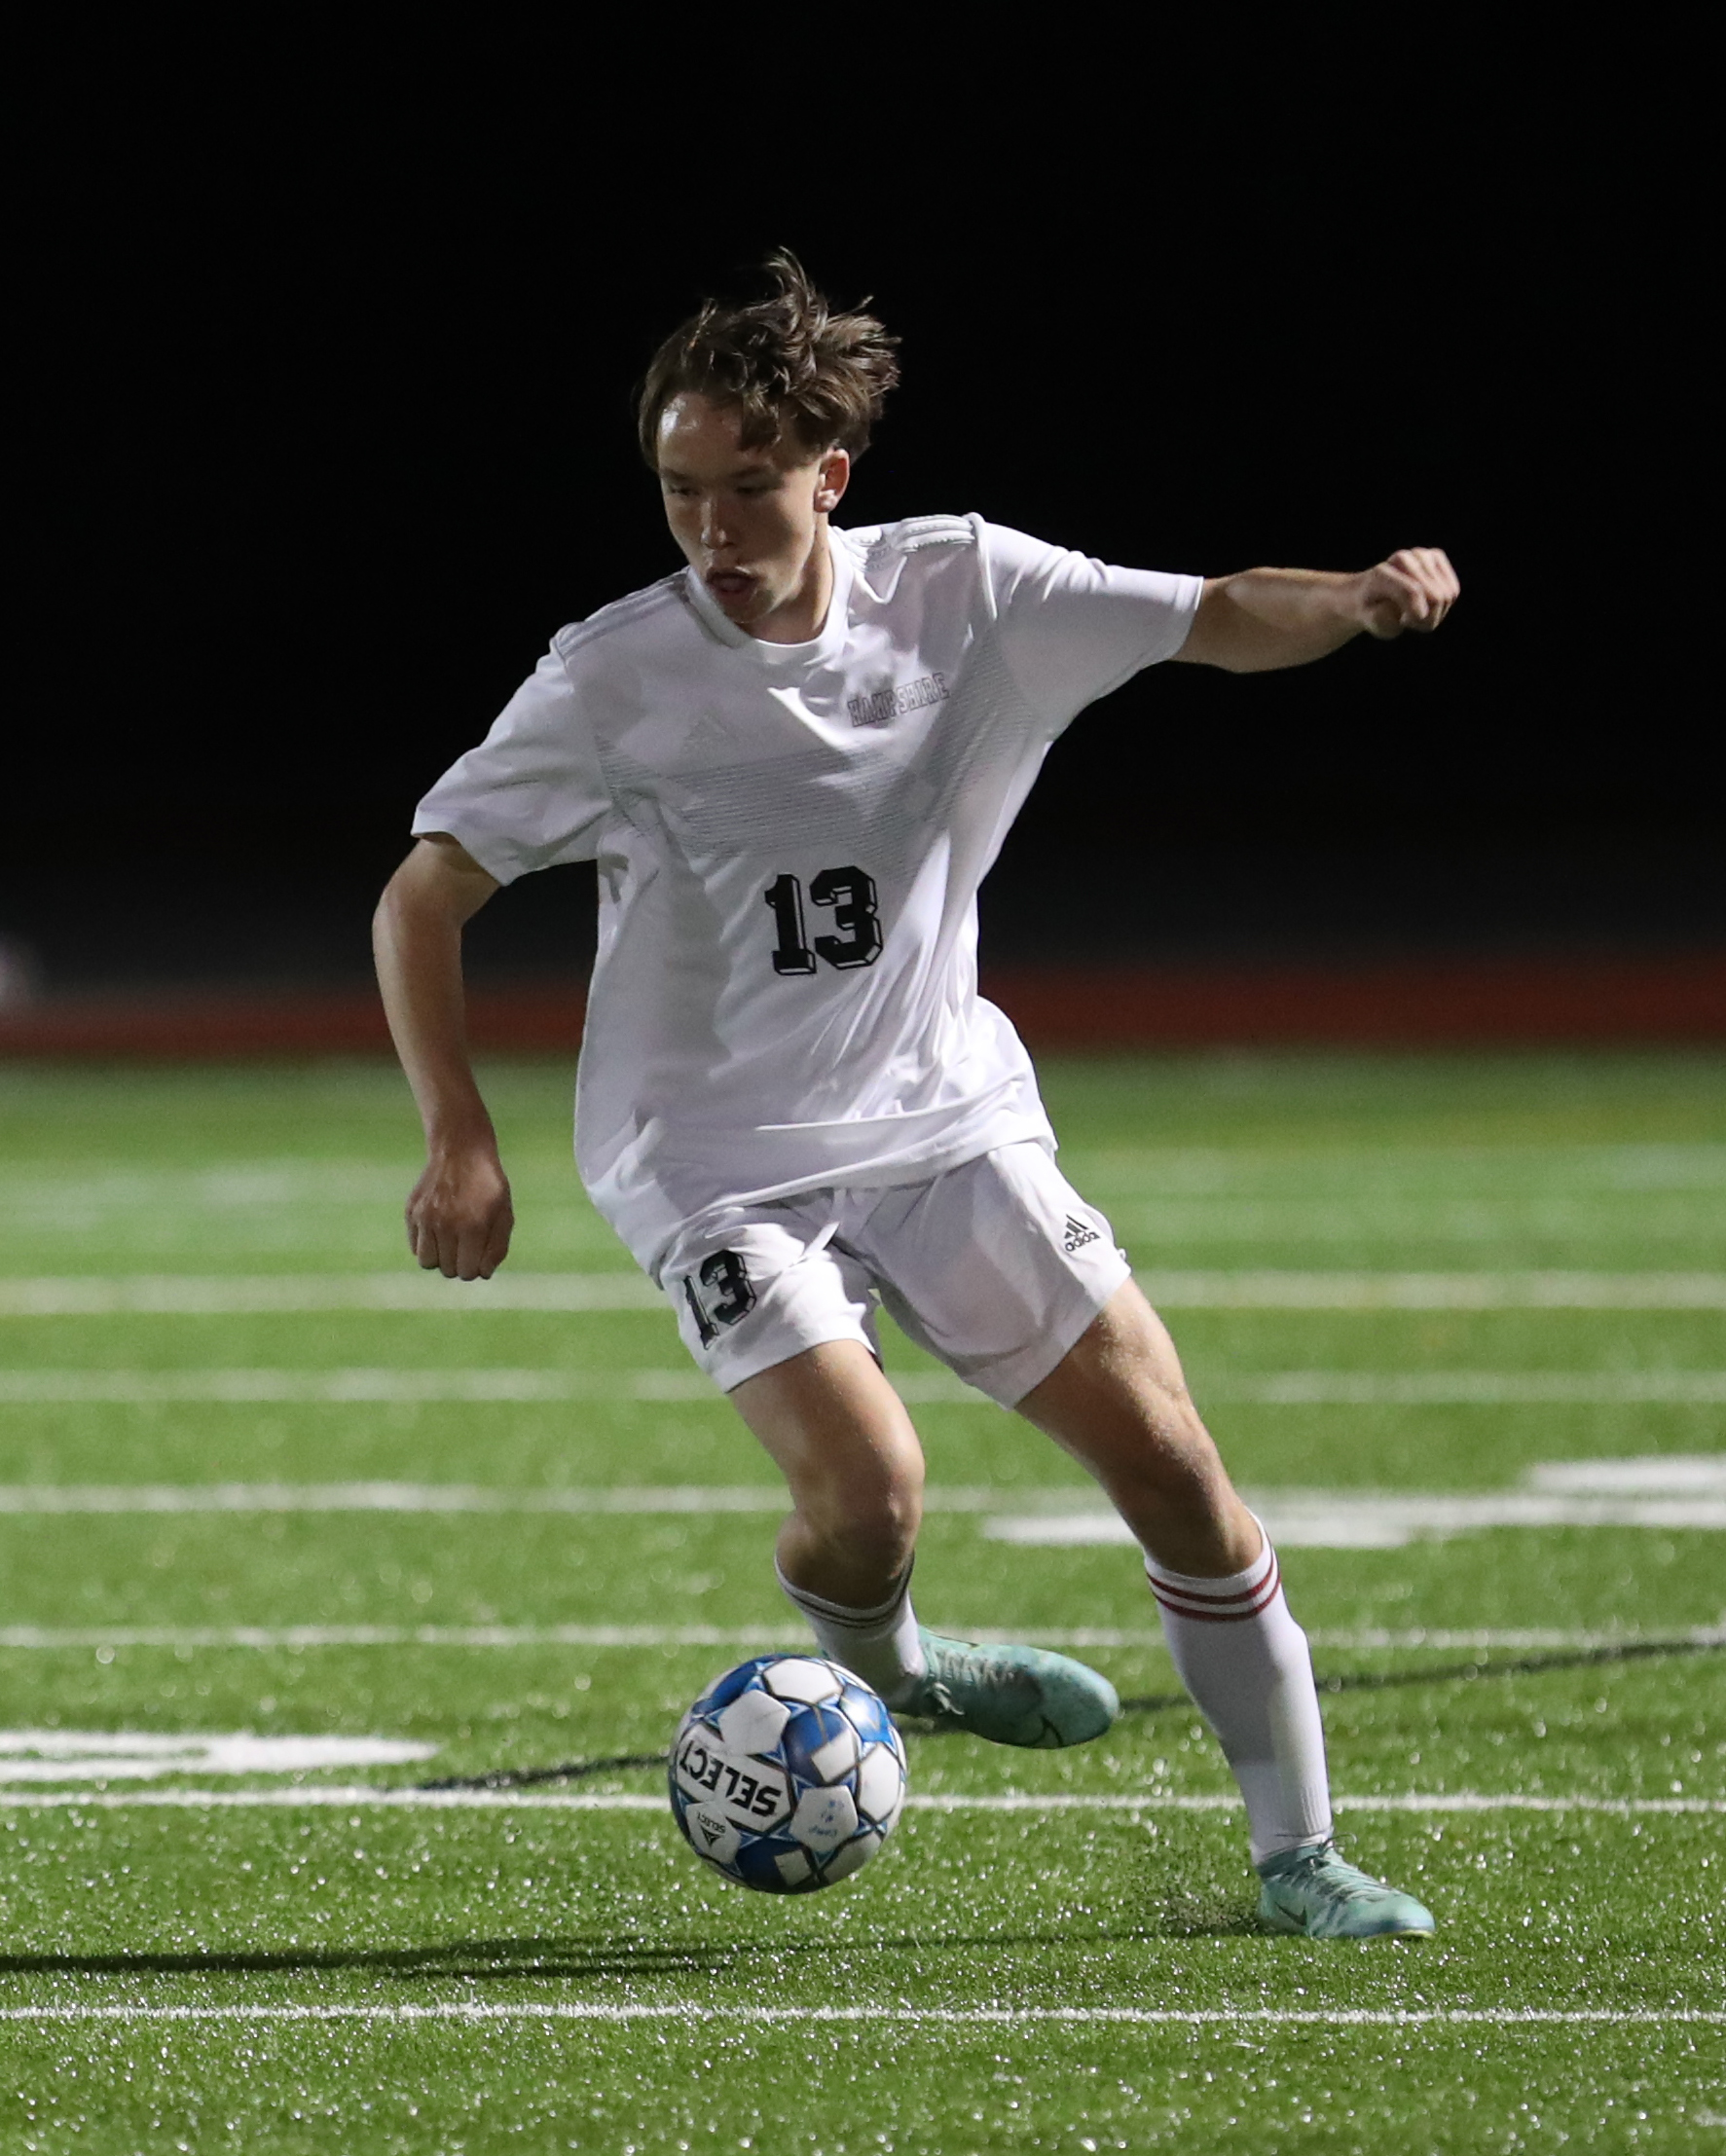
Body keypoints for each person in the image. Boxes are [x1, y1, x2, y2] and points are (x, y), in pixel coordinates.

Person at [374, 253, 1459, 1940]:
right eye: (678, 493)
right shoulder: (610, 679)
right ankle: (896, 1664)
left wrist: (1359, 596)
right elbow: (422, 896)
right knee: (869, 1495)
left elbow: (1211, 613)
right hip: (711, 1160)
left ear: (830, 476)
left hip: (941, 1114)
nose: (712, 532)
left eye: (746, 489)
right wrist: (459, 1133)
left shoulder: (967, 594)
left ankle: (1297, 1857)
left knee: (1175, 1468)